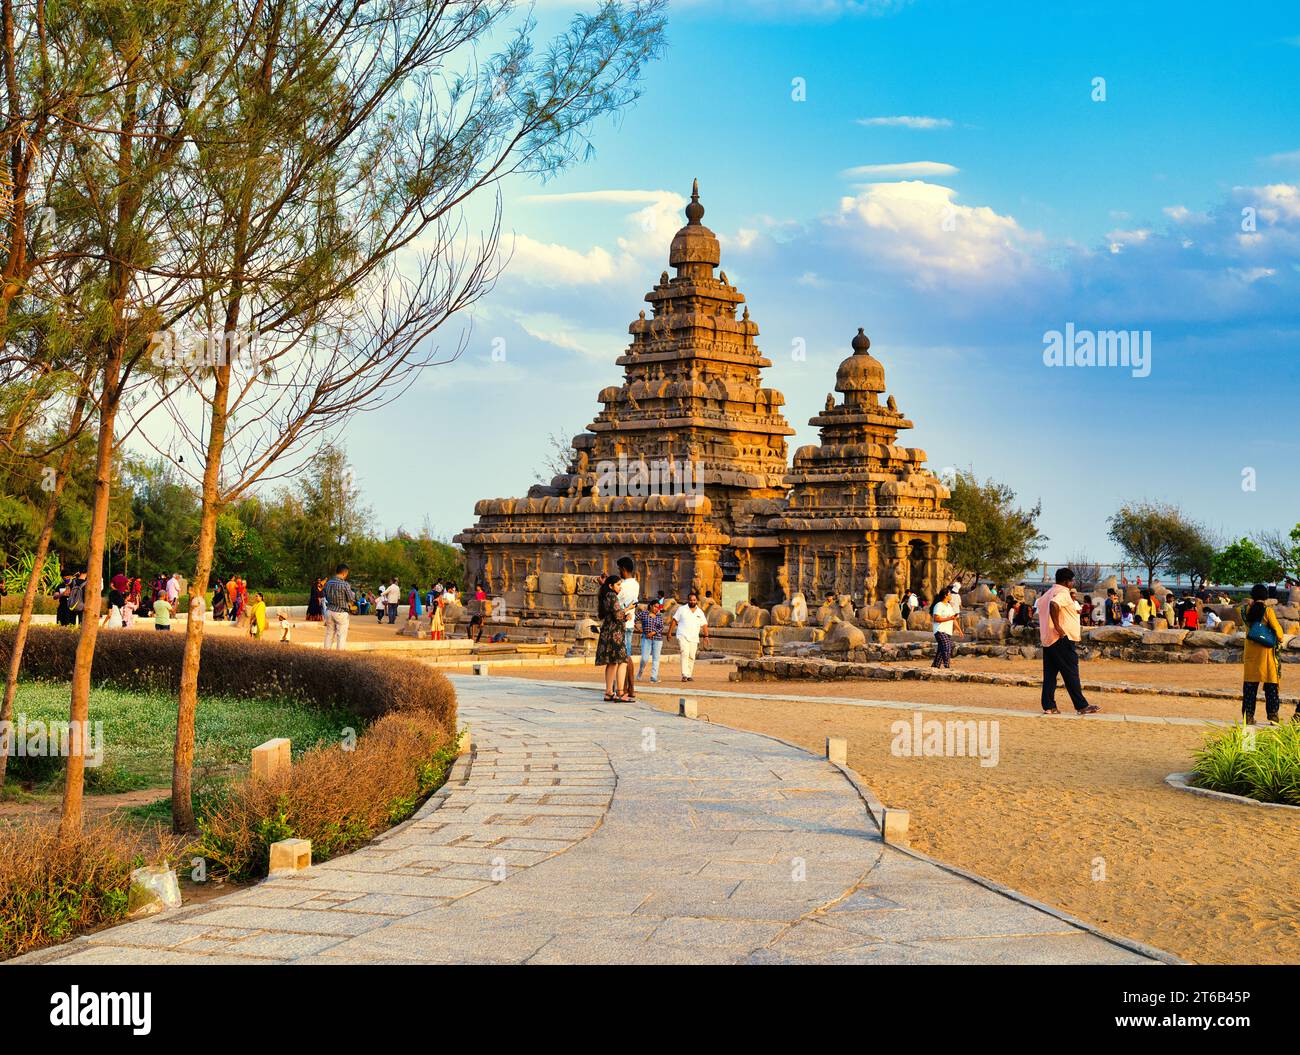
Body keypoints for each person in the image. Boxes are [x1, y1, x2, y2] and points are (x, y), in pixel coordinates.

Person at [1036, 567, 1100, 715]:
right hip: (1061, 639)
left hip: (1048, 639)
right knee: (1071, 672)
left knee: (1050, 674)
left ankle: (1049, 706)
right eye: (1072, 581)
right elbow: (1054, 605)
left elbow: (1046, 606)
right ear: (1066, 582)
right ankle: (1081, 706)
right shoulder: (1063, 593)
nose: (1073, 583)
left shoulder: (1047, 593)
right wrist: (1058, 627)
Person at [1240, 584, 1287, 724]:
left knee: (1250, 687)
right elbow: (1279, 633)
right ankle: (1273, 716)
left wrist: (1250, 603)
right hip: (1266, 654)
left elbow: (1240, 608)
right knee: (1271, 686)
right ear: (1266, 596)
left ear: (1252, 595)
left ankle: (1248, 716)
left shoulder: (1245, 610)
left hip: (1250, 654)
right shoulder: (1268, 611)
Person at [595, 574, 629, 701]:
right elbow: (618, 615)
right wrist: (627, 610)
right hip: (615, 634)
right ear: (611, 586)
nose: (620, 587)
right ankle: (620, 692)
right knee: (621, 661)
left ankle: (609, 692)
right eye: (618, 585)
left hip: (608, 631)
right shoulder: (612, 595)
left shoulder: (605, 595)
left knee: (612, 663)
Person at [669, 591, 709, 682]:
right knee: (685, 653)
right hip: (682, 635)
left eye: (694, 600)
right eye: (691, 600)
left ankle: (689, 674)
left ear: (696, 601)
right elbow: (674, 620)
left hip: (694, 637)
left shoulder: (700, 612)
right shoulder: (682, 609)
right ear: (688, 600)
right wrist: (669, 633)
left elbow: (704, 624)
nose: (692, 601)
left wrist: (706, 636)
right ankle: (684, 674)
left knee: (691, 656)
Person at [616, 556, 640, 701]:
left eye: (619, 569)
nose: (618, 571)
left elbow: (615, 601)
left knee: (623, 658)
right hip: (630, 623)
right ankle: (629, 687)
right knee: (627, 656)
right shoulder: (636, 584)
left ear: (623, 569)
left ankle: (625, 688)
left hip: (622, 623)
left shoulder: (623, 586)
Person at [322, 563, 356, 650]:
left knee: (329, 634)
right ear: (344, 573)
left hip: (329, 611)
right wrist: (353, 593)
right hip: (341, 612)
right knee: (341, 636)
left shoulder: (328, 583)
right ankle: (339, 655)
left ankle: (325, 654)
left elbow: (325, 595)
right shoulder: (345, 584)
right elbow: (351, 599)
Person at [929, 585, 961, 669]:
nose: (951, 596)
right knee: (947, 646)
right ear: (945, 595)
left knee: (941, 650)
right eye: (949, 594)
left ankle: (935, 666)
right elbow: (936, 618)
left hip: (947, 631)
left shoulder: (949, 606)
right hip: (940, 630)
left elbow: (953, 619)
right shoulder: (939, 605)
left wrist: (959, 630)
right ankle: (947, 665)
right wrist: (949, 618)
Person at [636, 599, 666, 683]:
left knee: (656, 658)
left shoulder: (659, 616)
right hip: (646, 639)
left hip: (657, 639)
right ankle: (640, 672)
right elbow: (634, 619)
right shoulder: (644, 613)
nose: (656, 609)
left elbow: (661, 627)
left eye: (658, 607)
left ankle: (653, 677)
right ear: (651, 606)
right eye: (655, 607)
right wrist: (638, 628)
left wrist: (653, 632)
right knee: (644, 658)